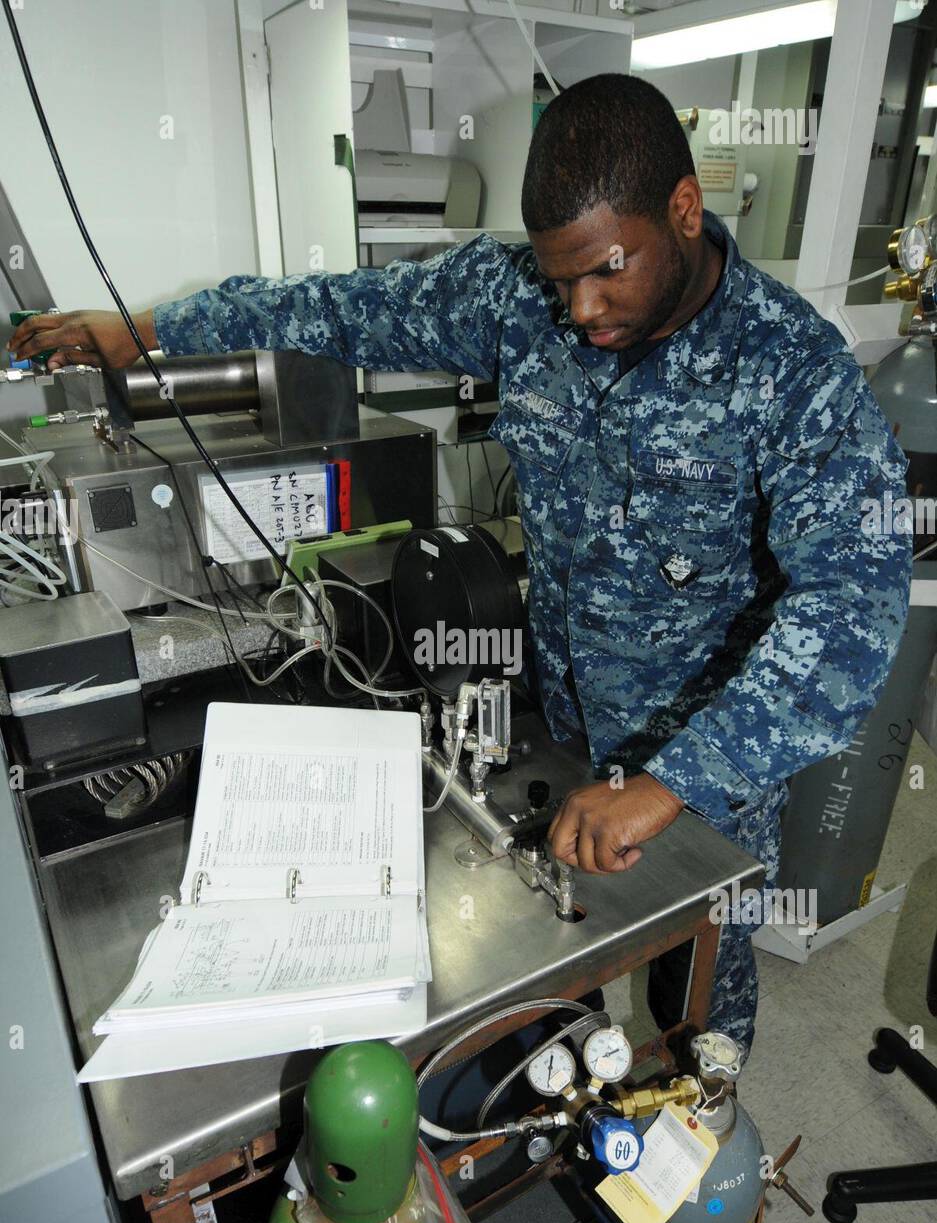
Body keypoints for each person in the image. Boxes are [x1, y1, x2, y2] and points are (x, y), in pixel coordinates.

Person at [8, 74, 912, 1052]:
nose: (580, 307)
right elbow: (334, 307)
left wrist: (669, 781)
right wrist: (144, 333)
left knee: (701, 977)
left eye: (606, 270)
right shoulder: (518, 299)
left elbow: (851, 618)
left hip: (714, 756)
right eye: (559, 277)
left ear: (684, 212)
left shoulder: (793, 372)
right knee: (573, 953)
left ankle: (705, 1099)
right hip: (564, 713)